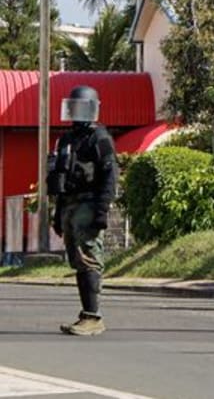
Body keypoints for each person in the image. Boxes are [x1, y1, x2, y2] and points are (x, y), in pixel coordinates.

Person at [47, 85, 119, 336]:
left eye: (82, 108)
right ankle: (86, 314)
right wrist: (58, 214)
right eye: (73, 108)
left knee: (89, 258)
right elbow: (61, 178)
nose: (77, 113)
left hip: (88, 205)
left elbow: (110, 175)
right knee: (77, 260)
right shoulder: (67, 139)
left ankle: (93, 317)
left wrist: (101, 211)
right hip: (69, 205)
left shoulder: (99, 137)